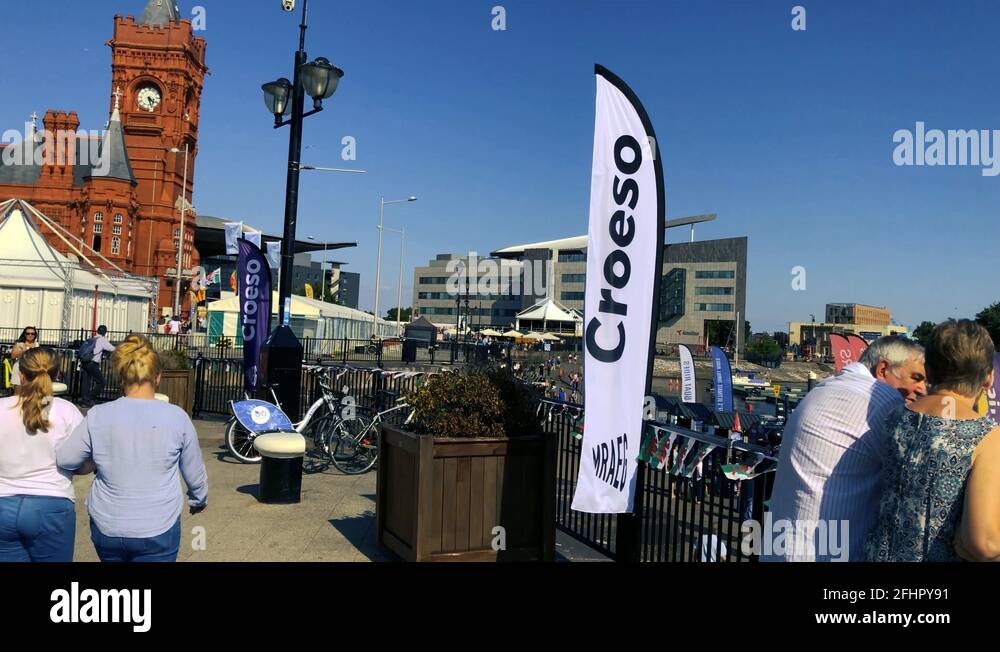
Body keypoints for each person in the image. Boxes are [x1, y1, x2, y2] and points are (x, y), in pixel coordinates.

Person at [763, 335, 927, 562]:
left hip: (780, 547)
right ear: (883, 370)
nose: (922, 389)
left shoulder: (825, 388)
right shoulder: (886, 402)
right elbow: (921, 474)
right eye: (916, 378)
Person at [57, 334, 208, 563]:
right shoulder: (177, 417)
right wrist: (198, 499)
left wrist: (93, 462)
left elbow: (66, 459)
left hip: (108, 522)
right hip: (159, 522)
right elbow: (194, 472)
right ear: (157, 378)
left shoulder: (98, 415)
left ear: (122, 377)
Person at [867, 320, 1000, 562]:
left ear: (927, 370)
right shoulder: (988, 436)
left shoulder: (895, 416)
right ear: (989, 378)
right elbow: (983, 544)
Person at [0, 347, 92, 562]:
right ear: (57, 375)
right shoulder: (67, 411)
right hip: (52, 504)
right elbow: (85, 464)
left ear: (20, 375)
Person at [79, 326, 115, 409]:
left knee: (86, 382)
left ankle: (84, 401)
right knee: (101, 382)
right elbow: (112, 349)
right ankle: (90, 398)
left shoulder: (92, 339)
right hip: (92, 363)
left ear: (97, 331)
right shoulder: (102, 340)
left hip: (85, 362)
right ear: (105, 332)